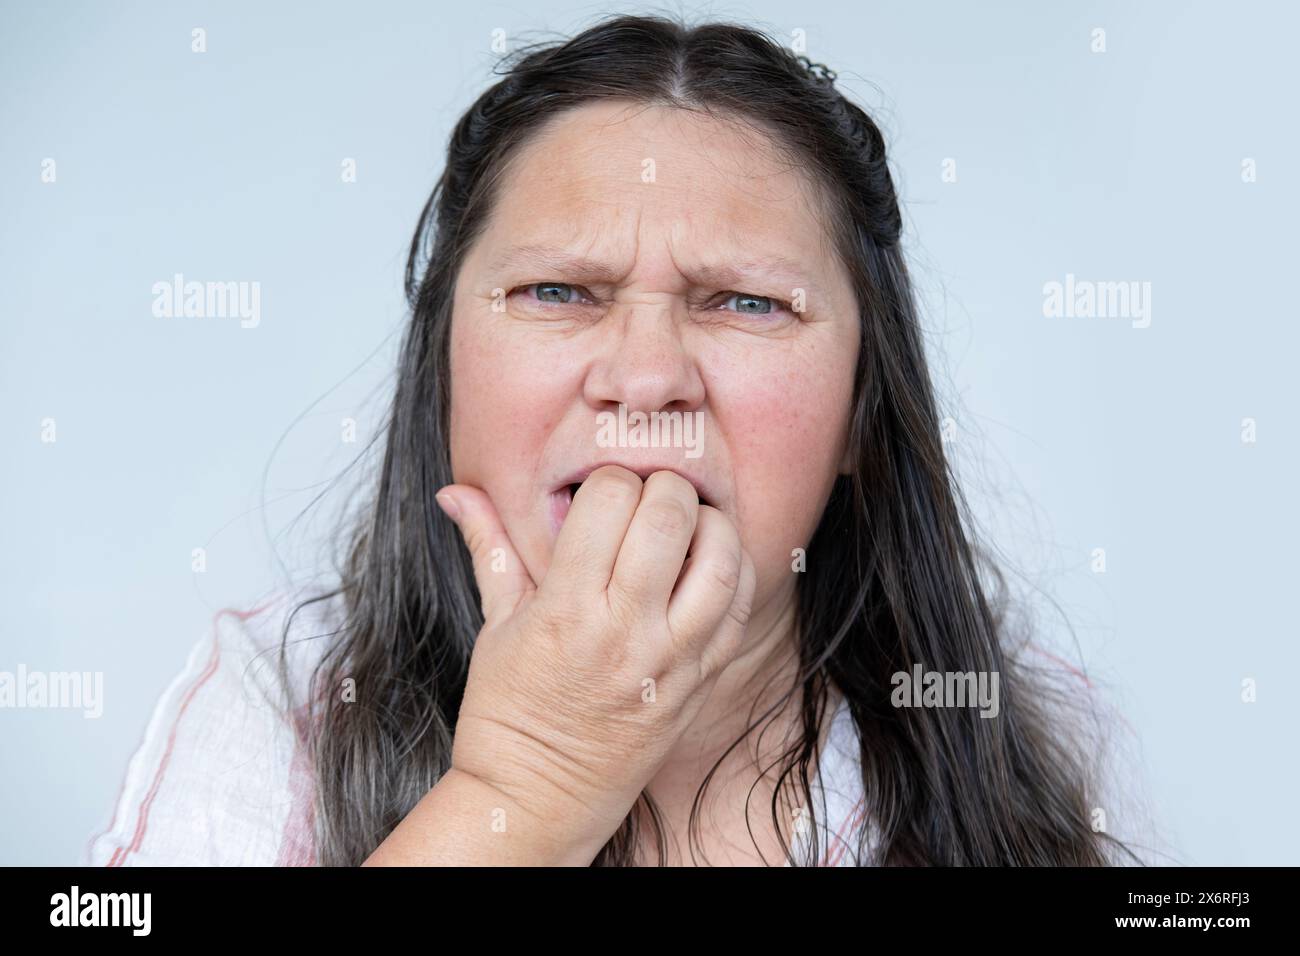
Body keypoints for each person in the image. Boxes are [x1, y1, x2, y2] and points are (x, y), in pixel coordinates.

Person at [87, 14, 1167, 867]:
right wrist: (520, 798)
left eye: (745, 303)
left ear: (860, 414)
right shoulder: (285, 704)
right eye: (558, 290)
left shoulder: (1016, 724)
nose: (647, 377)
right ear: (445, 376)